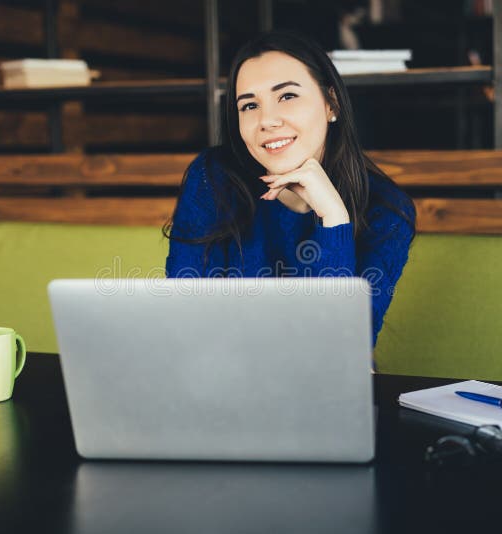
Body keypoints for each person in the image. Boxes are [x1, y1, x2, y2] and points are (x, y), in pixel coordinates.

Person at [163, 30, 415, 347]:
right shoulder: (214, 179)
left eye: (287, 96)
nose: (267, 120)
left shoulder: (387, 210)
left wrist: (333, 218)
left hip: (322, 392)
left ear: (331, 104)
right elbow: (183, 317)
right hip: (221, 382)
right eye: (249, 106)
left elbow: (339, 348)